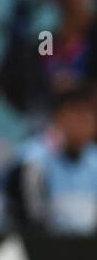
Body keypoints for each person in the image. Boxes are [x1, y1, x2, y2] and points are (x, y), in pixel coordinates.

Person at [12, 85, 97, 235]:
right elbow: (32, 215)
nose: (83, 123)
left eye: (89, 115)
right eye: (76, 114)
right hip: (46, 244)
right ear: (58, 118)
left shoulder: (94, 159)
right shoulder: (34, 157)